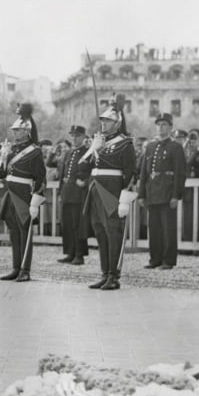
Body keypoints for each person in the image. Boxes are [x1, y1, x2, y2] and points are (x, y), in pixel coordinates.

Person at [78, 93, 137, 291]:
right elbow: (81, 169)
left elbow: (130, 175)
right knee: (100, 233)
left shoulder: (124, 144)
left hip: (112, 193)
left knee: (113, 234)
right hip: (95, 192)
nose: (104, 124)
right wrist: (93, 150)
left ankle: (114, 275)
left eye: (108, 121)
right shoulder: (99, 142)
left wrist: (124, 199)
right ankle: (105, 273)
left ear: (117, 123)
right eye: (102, 120)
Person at [0, 104, 47, 282]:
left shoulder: (34, 152)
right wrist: (2, 157)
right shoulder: (12, 150)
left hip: (24, 195)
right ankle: (16, 267)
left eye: (18, 130)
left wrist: (35, 201)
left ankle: (25, 269)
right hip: (10, 194)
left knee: (25, 234)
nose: (15, 133)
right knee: (14, 233)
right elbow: (1, 175)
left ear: (26, 131)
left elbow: (41, 178)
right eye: (14, 130)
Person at [136, 112, 187, 270]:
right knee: (155, 228)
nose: (161, 127)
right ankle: (155, 259)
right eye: (158, 124)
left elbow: (180, 173)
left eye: (164, 124)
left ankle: (168, 260)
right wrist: (141, 194)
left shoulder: (175, 147)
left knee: (168, 229)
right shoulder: (151, 147)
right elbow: (144, 172)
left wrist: (175, 195)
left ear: (171, 127)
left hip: (167, 191)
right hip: (153, 192)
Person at [57, 124, 89, 266]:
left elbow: (92, 172)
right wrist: (60, 192)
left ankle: (79, 254)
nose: (75, 138)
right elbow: (63, 173)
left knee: (77, 225)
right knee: (67, 224)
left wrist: (85, 182)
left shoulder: (88, 152)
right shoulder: (69, 153)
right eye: (73, 136)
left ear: (83, 137)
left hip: (78, 193)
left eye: (77, 136)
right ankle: (69, 252)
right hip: (66, 192)